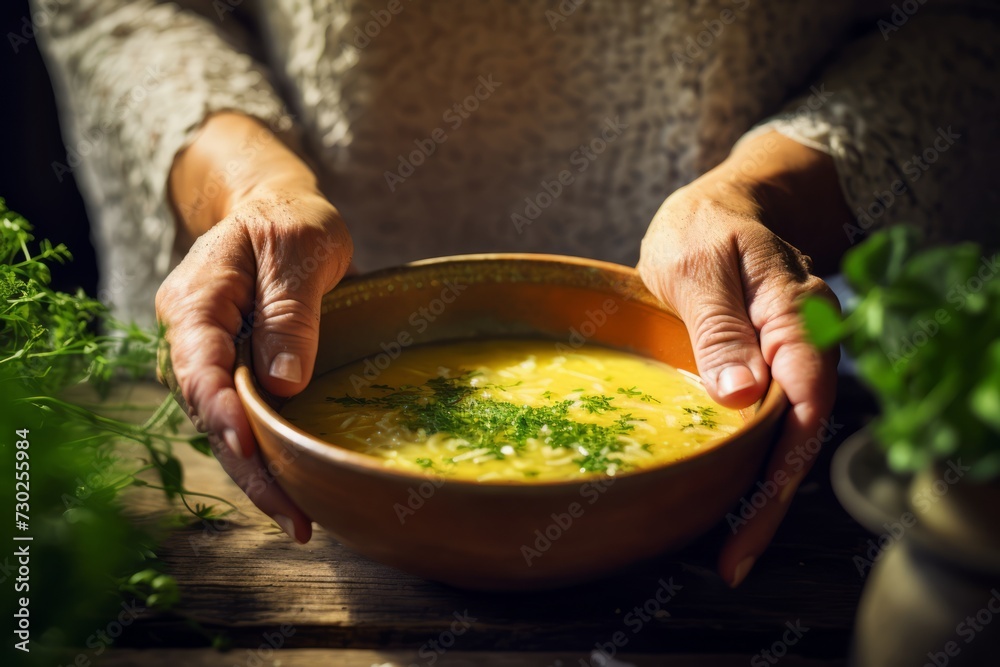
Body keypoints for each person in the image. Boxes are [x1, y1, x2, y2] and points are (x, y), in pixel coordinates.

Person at [34, 0, 999, 588]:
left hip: (732, 296)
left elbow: (962, 23)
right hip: (311, 307)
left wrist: (762, 197)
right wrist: (250, 188)